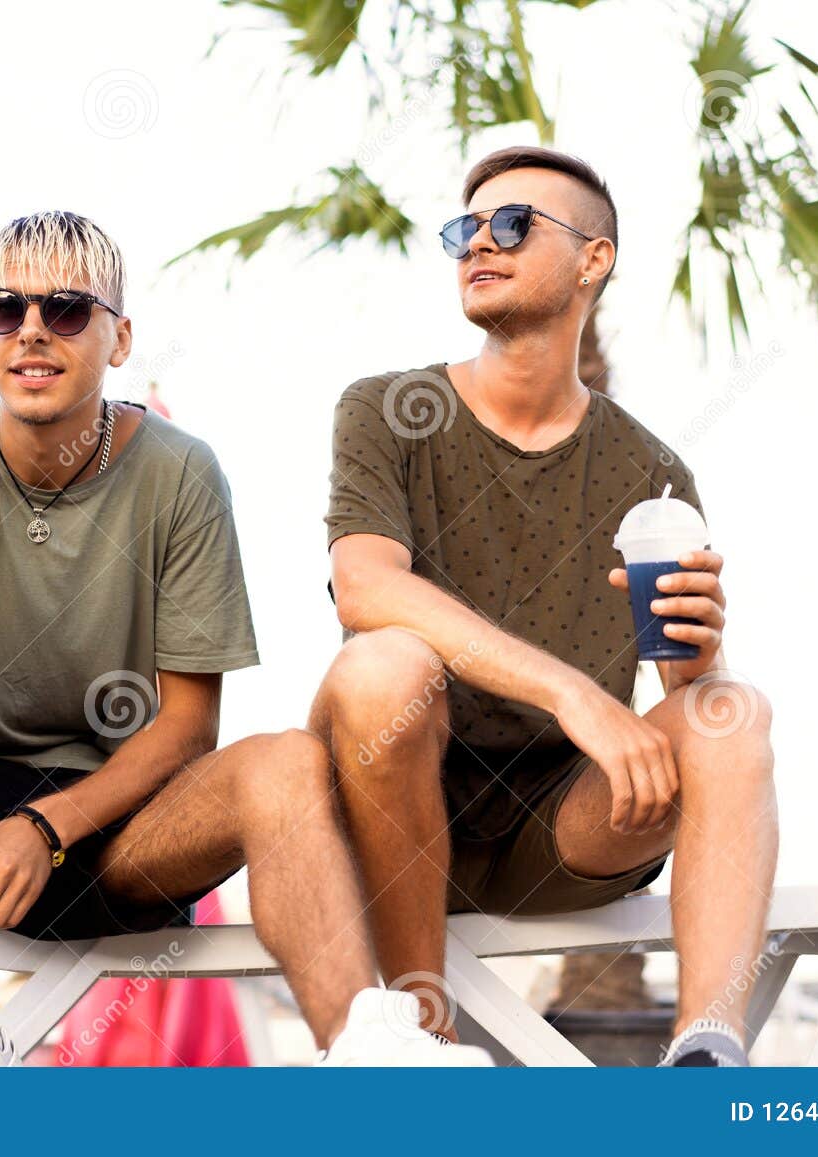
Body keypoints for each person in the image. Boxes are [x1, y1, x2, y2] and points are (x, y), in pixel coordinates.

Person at [0, 210, 489, 1066]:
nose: (32, 331)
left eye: (66, 309)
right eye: (3, 308)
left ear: (119, 338)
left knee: (285, 761)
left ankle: (366, 1050)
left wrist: (44, 826)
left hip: (111, 830)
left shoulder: (179, 472)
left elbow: (189, 727)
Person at [309, 148, 779, 1067]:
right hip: (392, 816)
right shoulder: (386, 409)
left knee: (734, 713)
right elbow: (364, 587)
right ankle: (418, 1039)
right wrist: (574, 693)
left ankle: (706, 1054)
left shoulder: (653, 472)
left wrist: (699, 651)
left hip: (565, 833)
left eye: (514, 224)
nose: (480, 243)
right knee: (384, 665)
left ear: (593, 260)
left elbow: (686, 701)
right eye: (466, 228)